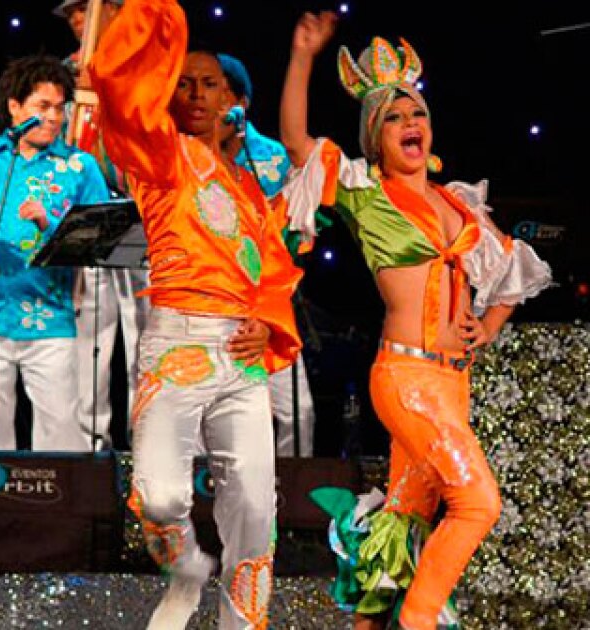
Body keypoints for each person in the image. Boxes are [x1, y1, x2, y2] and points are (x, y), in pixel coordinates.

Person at [280, 12, 552, 629]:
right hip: (405, 379)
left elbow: (514, 272)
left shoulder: (457, 202)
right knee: (479, 502)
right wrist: (302, 58)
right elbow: (298, 141)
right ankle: (420, 622)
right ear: (375, 134)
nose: (412, 124)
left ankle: (373, 622)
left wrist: (489, 325)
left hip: (453, 385)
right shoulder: (362, 190)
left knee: (402, 523)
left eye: (419, 114)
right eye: (396, 117)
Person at [88, 0, 305, 627]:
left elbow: (274, 273)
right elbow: (118, 91)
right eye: (184, 81)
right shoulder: (162, 158)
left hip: (242, 358)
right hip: (175, 346)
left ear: (231, 97)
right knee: (160, 498)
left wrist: (269, 325)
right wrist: (153, 12)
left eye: (211, 82)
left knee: (255, 511)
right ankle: (184, 570)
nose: (198, 93)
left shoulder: (245, 186)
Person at [0, 55, 112, 451]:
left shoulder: (80, 166)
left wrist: (51, 223)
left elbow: (101, 239)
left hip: (52, 319)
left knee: (62, 440)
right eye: (42, 107)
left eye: (60, 108)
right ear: (14, 107)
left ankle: (60, 514)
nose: (54, 117)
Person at [54, 0, 151, 450]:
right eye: (72, 12)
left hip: (138, 209)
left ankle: (146, 435)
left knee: (142, 330)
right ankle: (89, 443)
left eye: (85, 9)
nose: (78, 18)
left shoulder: (143, 62)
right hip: (89, 214)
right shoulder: (65, 75)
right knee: (90, 337)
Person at [217, 53, 318, 457]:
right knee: (216, 413)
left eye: (224, 96)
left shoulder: (274, 158)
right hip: (215, 306)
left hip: (269, 304)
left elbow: (298, 229)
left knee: (297, 411)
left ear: (242, 104)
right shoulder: (193, 157)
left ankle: (292, 498)